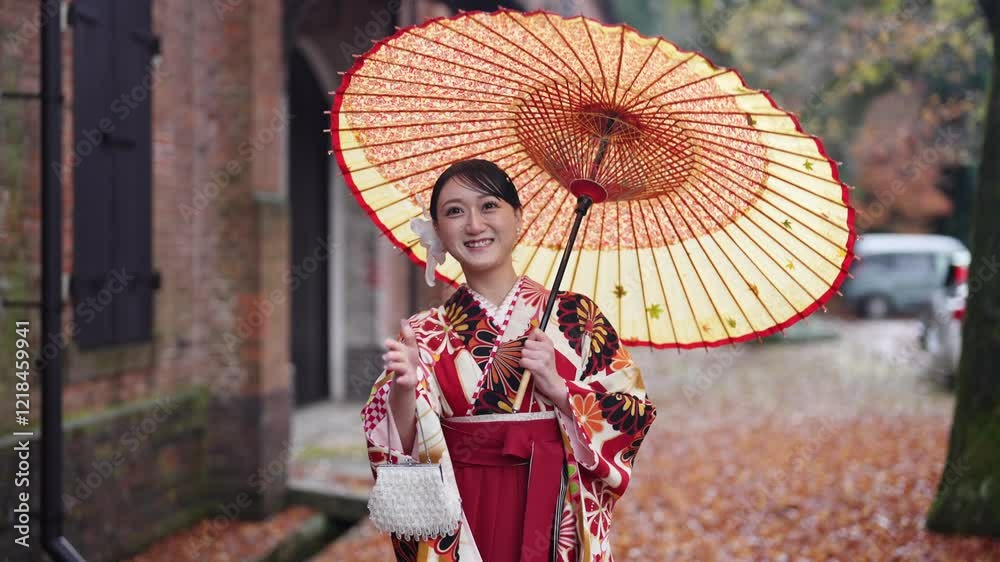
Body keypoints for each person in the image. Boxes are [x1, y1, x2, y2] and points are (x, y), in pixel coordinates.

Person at [361, 159, 657, 562]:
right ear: (438, 231)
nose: (474, 225)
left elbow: (632, 414)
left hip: (554, 508)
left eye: (489, 206)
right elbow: (394, 444)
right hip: (462, 513)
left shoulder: (576, 317)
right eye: (454, 211)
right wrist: (405, 390)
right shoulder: (423, 332)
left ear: (517, 217)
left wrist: (559, 388)